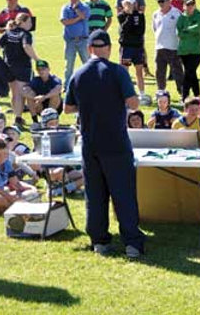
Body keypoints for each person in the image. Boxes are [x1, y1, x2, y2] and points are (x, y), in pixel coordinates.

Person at [64, 30, 146, 258]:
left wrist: (90, 105)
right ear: (108, 49)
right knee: (123, 194)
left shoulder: (78, 74)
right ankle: (132, 243)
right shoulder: (117, 71)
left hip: (90, 143)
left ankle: (99, 241)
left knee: (95, 195)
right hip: (116, 142)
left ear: (89, 49)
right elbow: (133, 104)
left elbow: (68, 108)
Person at [0, 12, 38, 126]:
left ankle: (18, 118)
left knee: (15, 93)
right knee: (25, 92)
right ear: (22, 22)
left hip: (8, 67)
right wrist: (37, 59)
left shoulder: (8, 33)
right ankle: (33, 119)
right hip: (22, 67)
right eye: (29, 22)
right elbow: (26, 46)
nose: (31, 24)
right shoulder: (25, 34)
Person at [117, 0, 150, 105]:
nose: (129, 6)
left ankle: (142, 94)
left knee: (139, 72)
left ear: (135, 4)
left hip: (138, 48)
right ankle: (124, 94)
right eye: (127, 3)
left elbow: (140, 31)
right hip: (126, 47)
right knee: (124, 72)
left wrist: (132, 16)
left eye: (131, 4)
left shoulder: (140, 15)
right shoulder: (121, 16)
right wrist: (129, 15)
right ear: (123, 4)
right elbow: (124, 29)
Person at [152, 0, 184, 95]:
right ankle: (161, 91)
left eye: (162, 1)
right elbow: (155, 28)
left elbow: (181, 28)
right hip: (159, 46)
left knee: (177, 71)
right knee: (160, 71)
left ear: (168, 1)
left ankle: (182, 93)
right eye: (159, 1)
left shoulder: (177, 13)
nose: (160, 4)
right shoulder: (156, 14)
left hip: (173, 47)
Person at [60, 0, 91, 90]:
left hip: (83, 40)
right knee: (69, 65)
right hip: (70, 41)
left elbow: (85, 17)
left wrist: (77, 9)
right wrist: (78, 18)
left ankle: (91, 83)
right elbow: (65, 22)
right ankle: (67, 86)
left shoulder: (85, 7)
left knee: (87, 63)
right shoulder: (65, 8)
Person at [176, 0, 200, 99]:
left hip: (196, 50)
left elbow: (198, 28)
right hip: (184, 50)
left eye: (192, 4)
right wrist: (187, 32)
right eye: (188, 4)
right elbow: (178, 32)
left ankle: (185, 96)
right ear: (184, 6)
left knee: (188, 72)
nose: (190, 6)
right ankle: (197, 95)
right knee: (191, 73)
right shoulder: (181, 17)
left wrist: (186, 30)